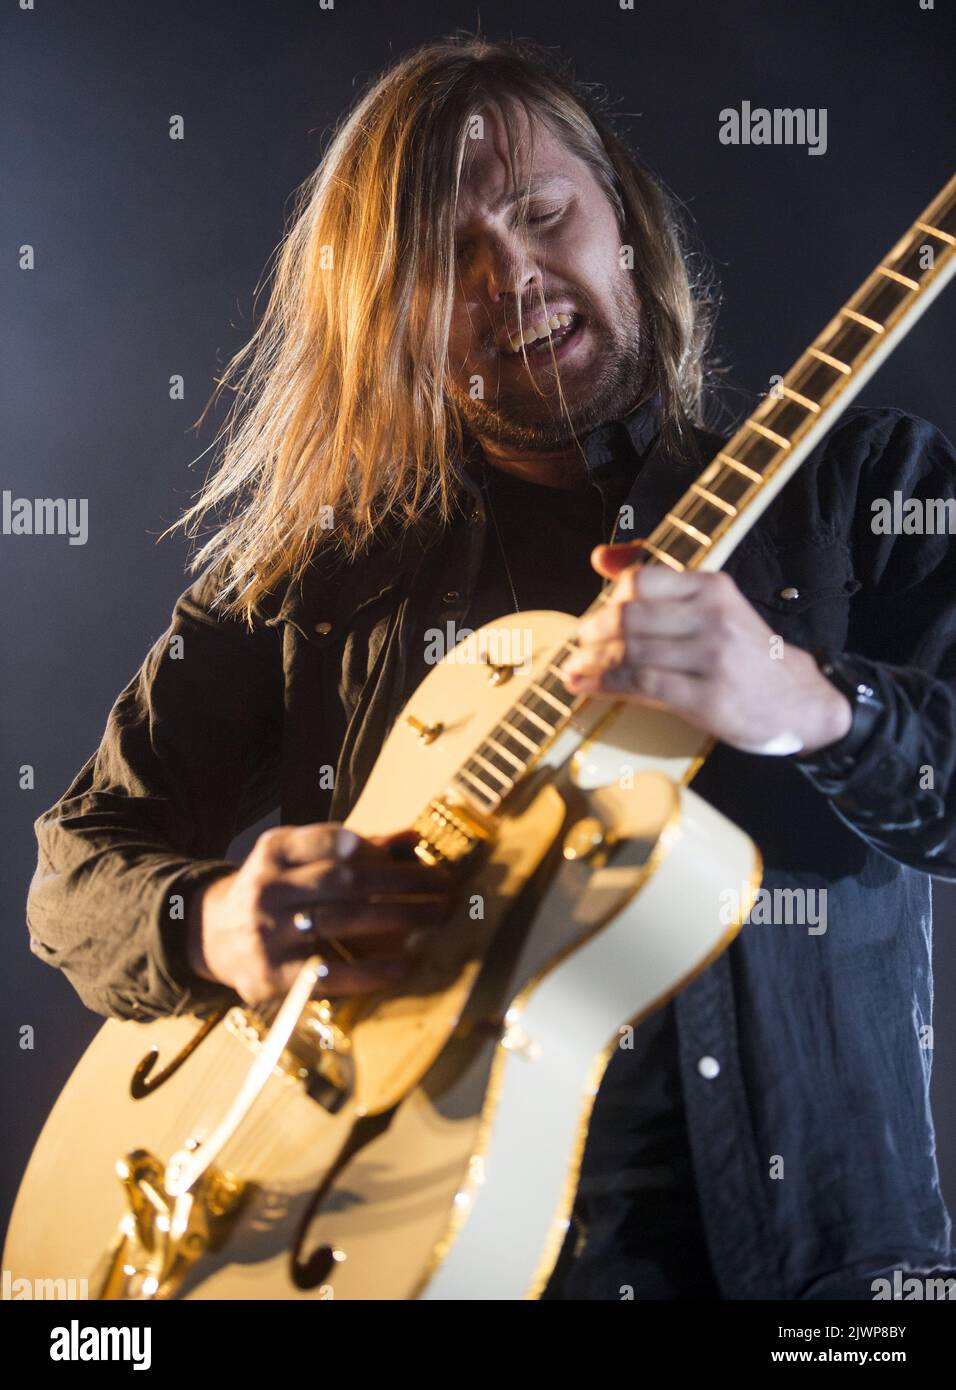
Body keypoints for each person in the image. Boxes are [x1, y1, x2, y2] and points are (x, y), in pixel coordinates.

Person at [26, 36, 956, 1299]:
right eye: (443, 255)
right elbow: (77, 865)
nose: (510, 275)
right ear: (388, 314)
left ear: (620, 219)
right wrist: (212, 921)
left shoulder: (866, 488)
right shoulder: (312, 584)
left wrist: (808, 706)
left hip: (816, 1281)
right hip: (400, 1256)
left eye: (540, 212)